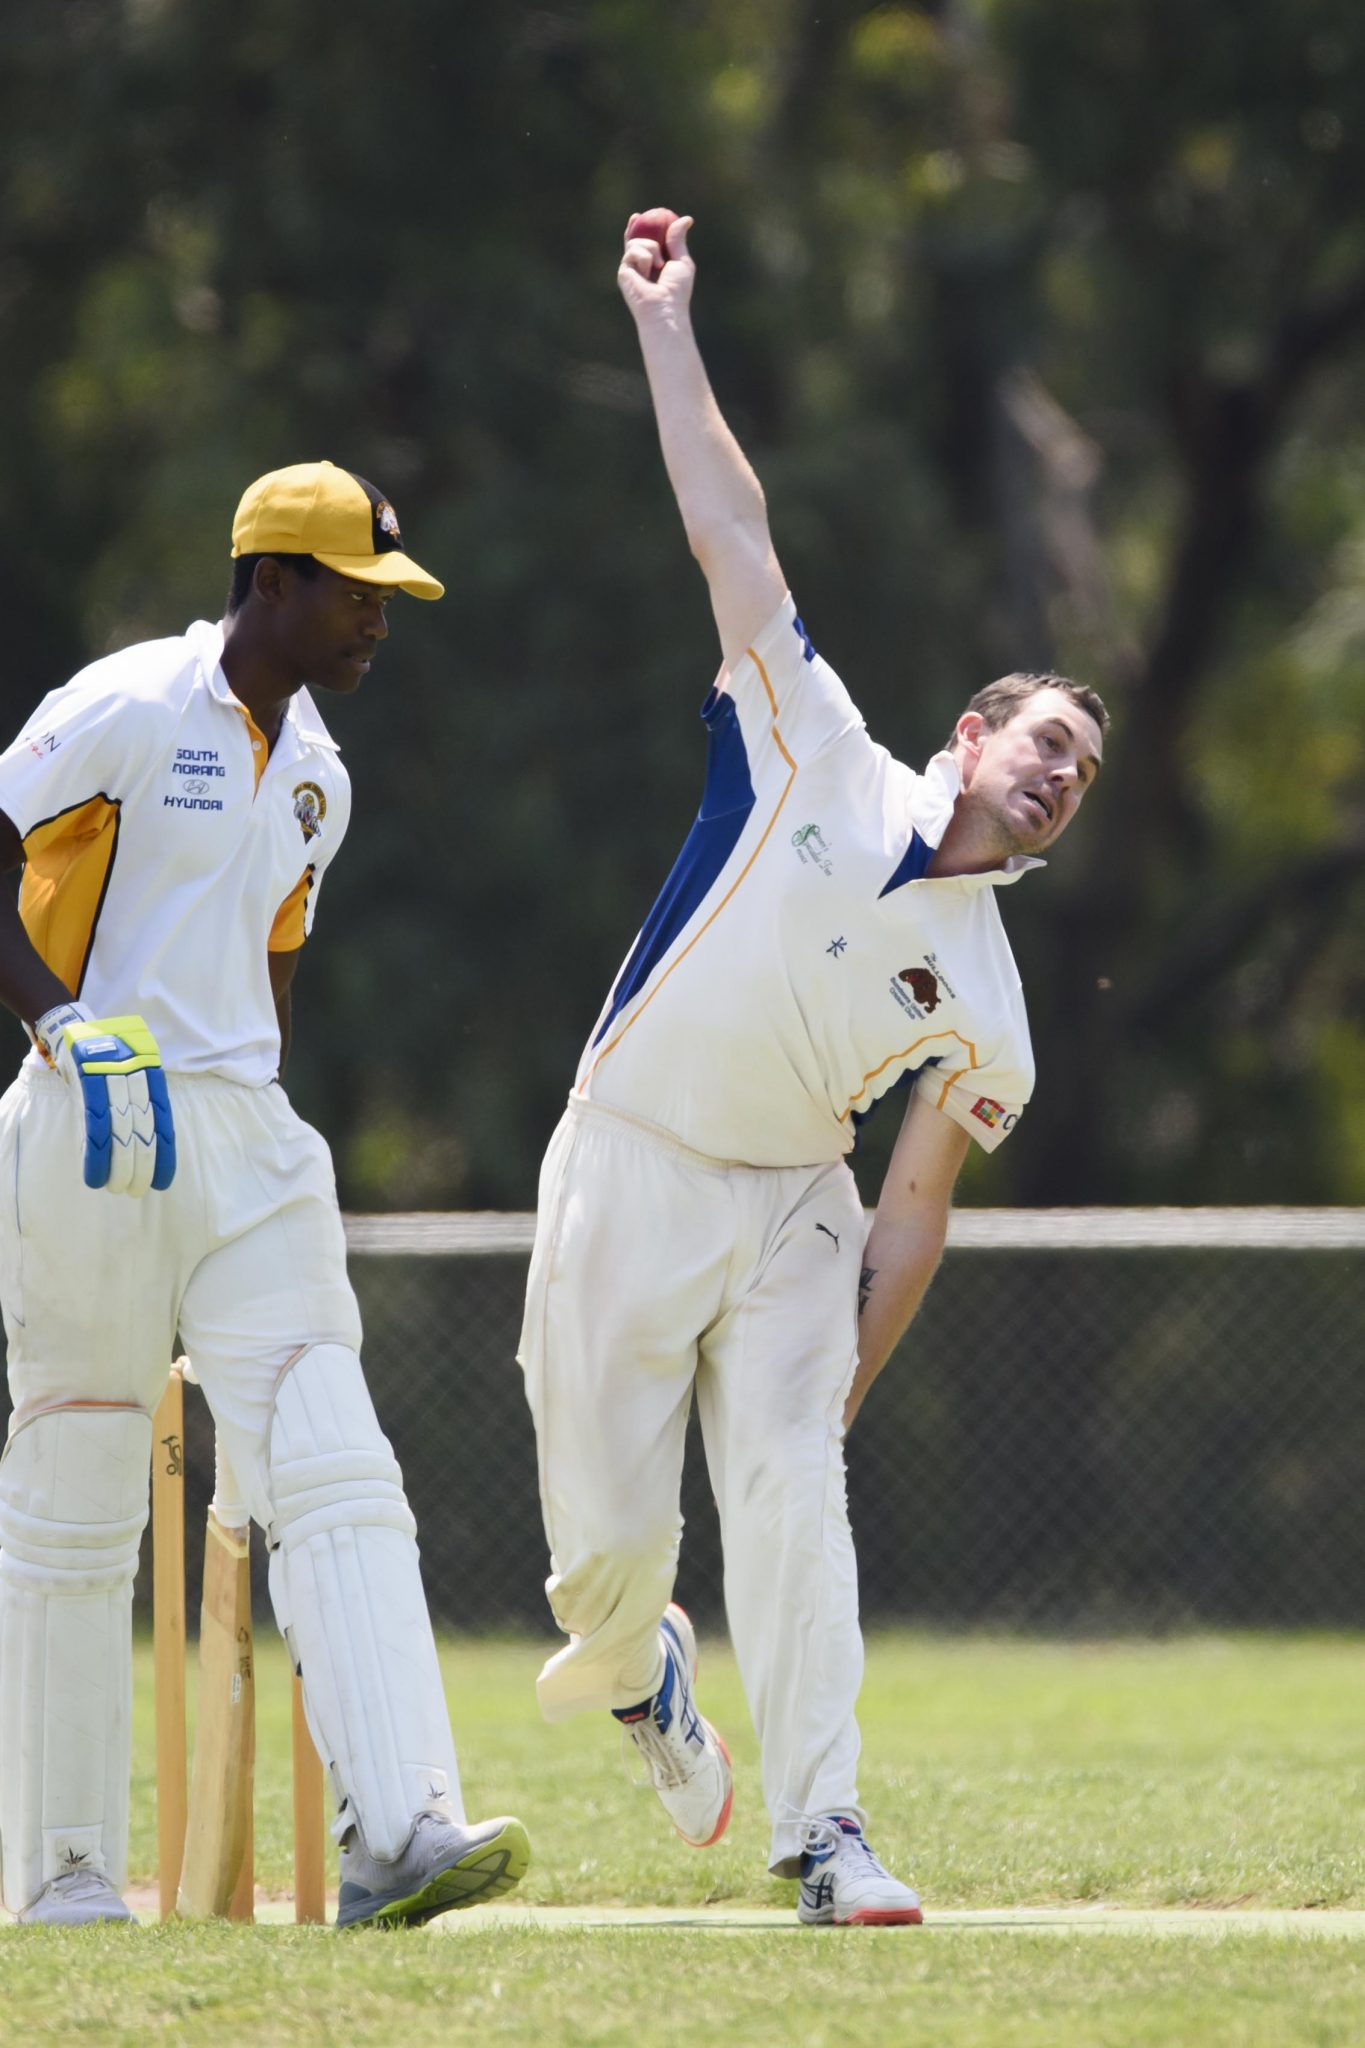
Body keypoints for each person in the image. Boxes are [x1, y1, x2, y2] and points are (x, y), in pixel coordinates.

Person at [517, 213, 1107, 1928]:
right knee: (599, 1563)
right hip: (626, 1150)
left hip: (793, 1207)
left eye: (1083, 771)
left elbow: (911, 1205)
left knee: (791, 1492)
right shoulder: (811, 742)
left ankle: (826, 1836)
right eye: (1044, 740)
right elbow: (727, 523)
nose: (1060, 775)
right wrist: (665, 323)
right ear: (968, 737)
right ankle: (642, 1673)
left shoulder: (989, 1004)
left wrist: (837, 1381)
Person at [0, 461, 530, 1927]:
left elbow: (275, 966)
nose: (378, 624)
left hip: (244, 1135)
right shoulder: (128, 702)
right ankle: (62, 1877)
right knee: (78, 1484)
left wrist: (257, 1103)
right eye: (357, 596)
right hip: (93, 1116)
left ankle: (400, 1833)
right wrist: (57, 1020)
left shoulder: (319, 777)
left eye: (387, 601)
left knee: (334, 1455)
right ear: (273, 582)